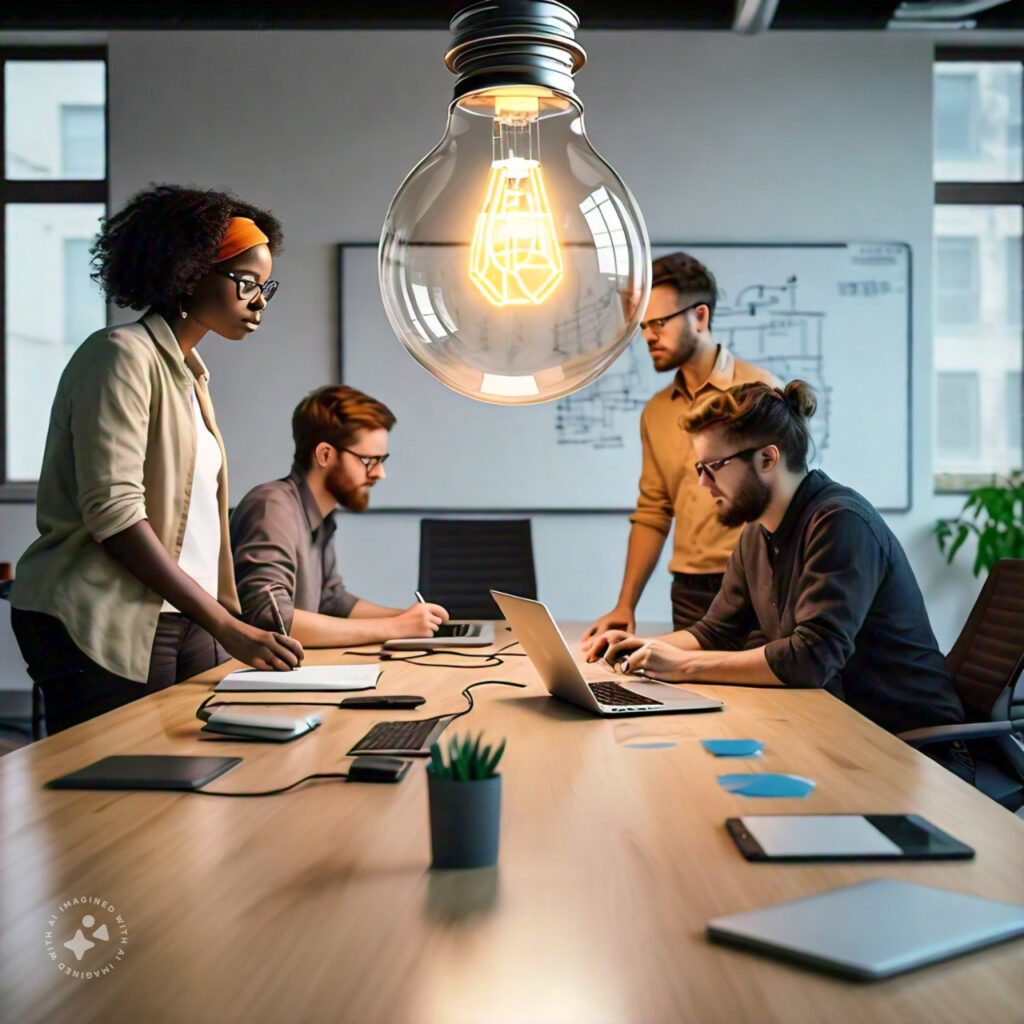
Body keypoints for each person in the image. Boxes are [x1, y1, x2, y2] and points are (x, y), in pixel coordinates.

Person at [10, 185, 303, 735]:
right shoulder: (120, 355)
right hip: (103, 612)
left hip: (180, 613)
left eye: (266, 287)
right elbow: (116, 515)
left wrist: (230, 614)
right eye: (246, 283)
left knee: (192, 779)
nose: (259, 301)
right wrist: (224, 624)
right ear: (189, 273)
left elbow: (192, 524)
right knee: (115, 794)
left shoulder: (190, 374)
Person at [582, 380, 973, 782]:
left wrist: (683, 666)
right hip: (838, 734)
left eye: (713, 467)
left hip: (914, 753)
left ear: (768, 459)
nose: (702, 483)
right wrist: (642, 648)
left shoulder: (840, 523)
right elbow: (718, 630)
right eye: (700, 469)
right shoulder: (757, 532)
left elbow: (811, 659)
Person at [584, 251, 778, 640]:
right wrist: (625, 605)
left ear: (700, 316)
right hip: (689, 589)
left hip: (758, 581)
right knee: (697, 697)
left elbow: (784, 497)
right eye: (642, 326)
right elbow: (654, 511)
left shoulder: (759, 394)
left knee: (761, 698)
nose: (649, 336)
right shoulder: (656, 412)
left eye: (658, 322)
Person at [230, 385, 450, 646]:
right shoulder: (272, 507)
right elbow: (271, 619)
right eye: (369, 460)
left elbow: (331, 601)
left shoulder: (320, 516)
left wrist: (410, 618)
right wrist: (395, 627)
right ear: (325, 454)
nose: (380, 473)